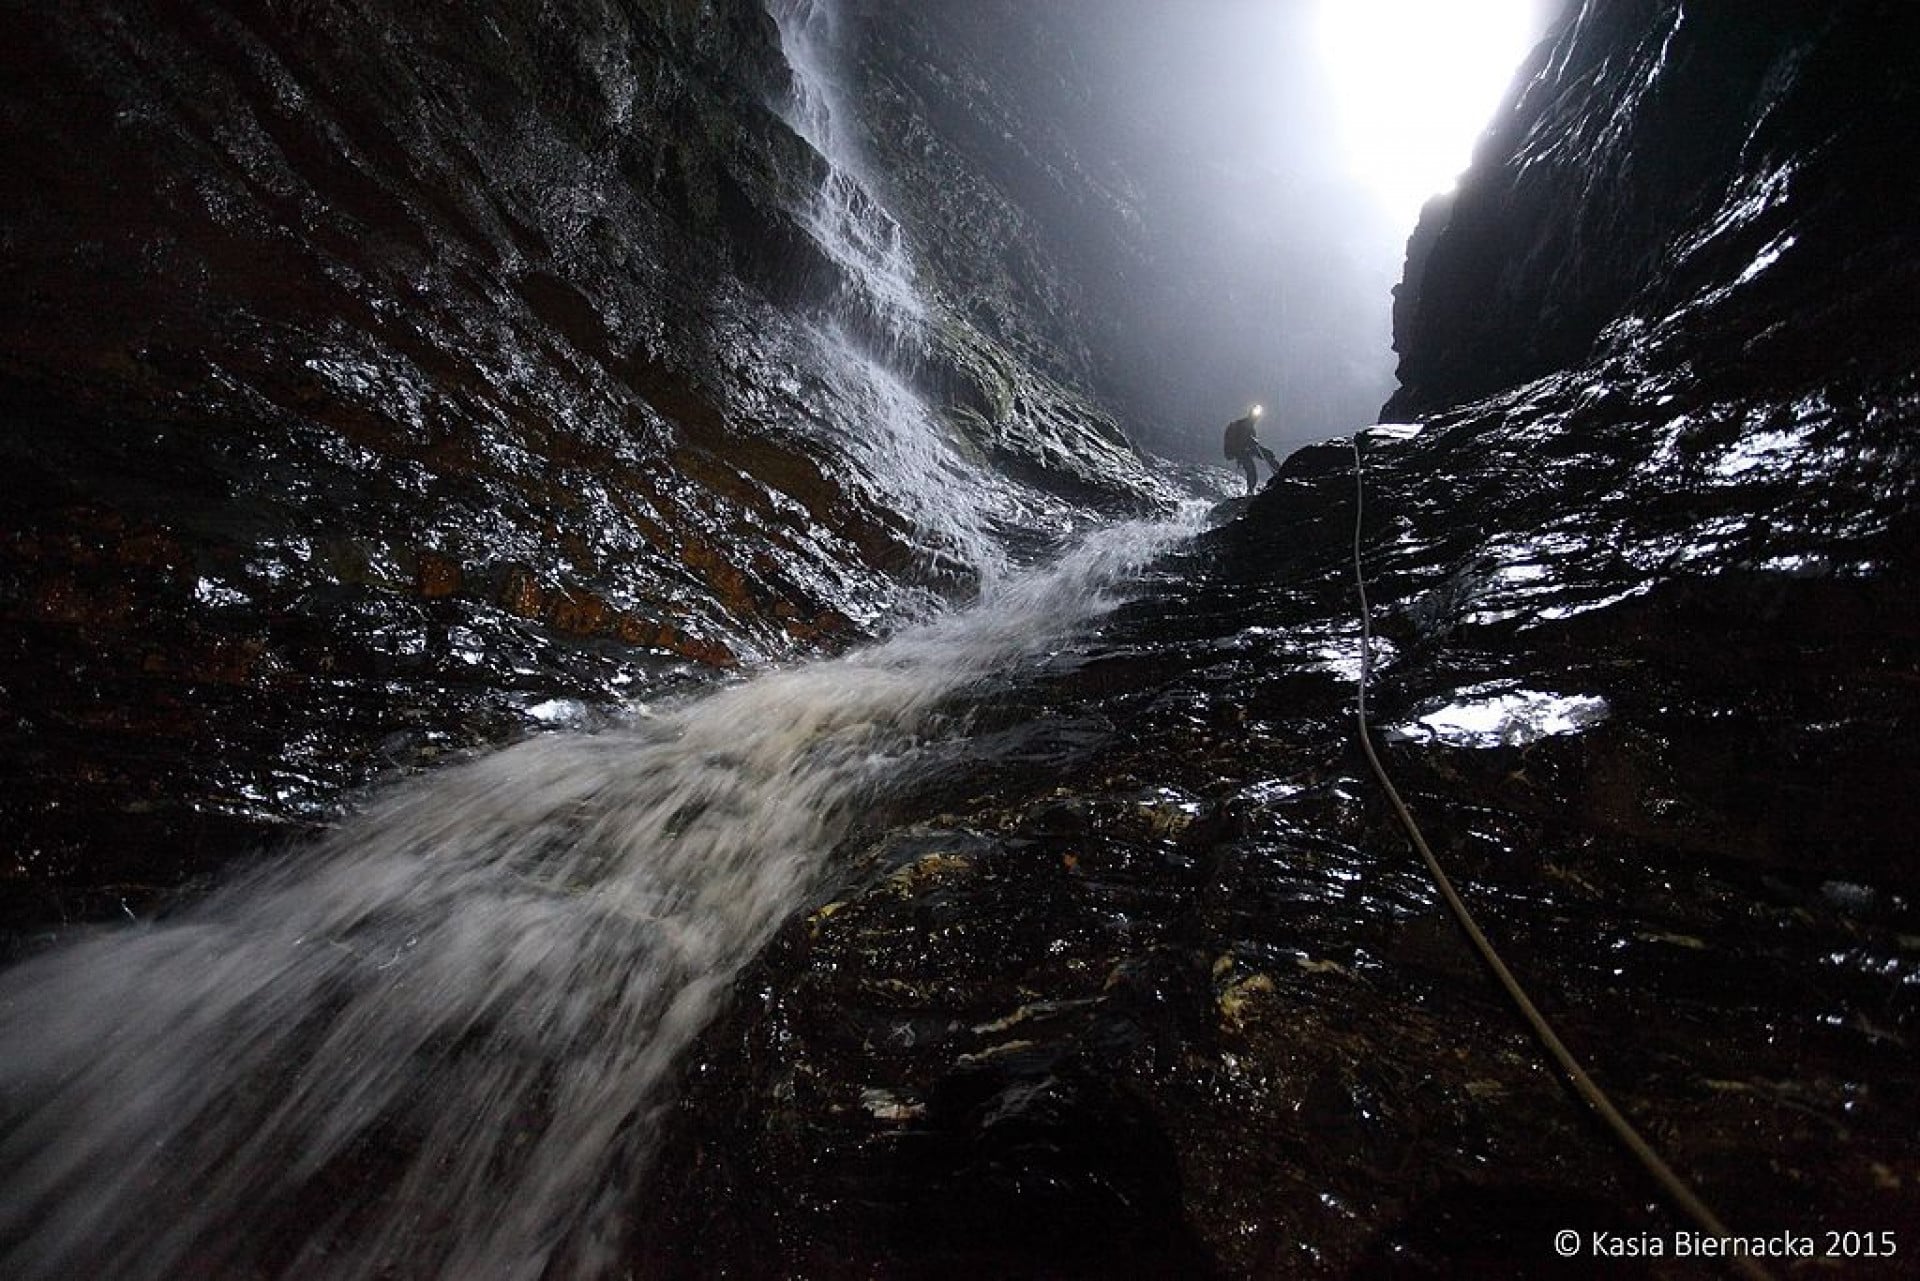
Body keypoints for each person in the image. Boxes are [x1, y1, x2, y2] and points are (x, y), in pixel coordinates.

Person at [1223, 403, 1281, 495]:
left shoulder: (1249, 427)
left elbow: (1250, 442)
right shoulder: (1242, 425)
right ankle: (1250, 492)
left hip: (1247, 450)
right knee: (1251, 470)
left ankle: (1279, 475)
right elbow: (1241, 441)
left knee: (1267, 455)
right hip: (1240, 451)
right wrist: (1250, 443)